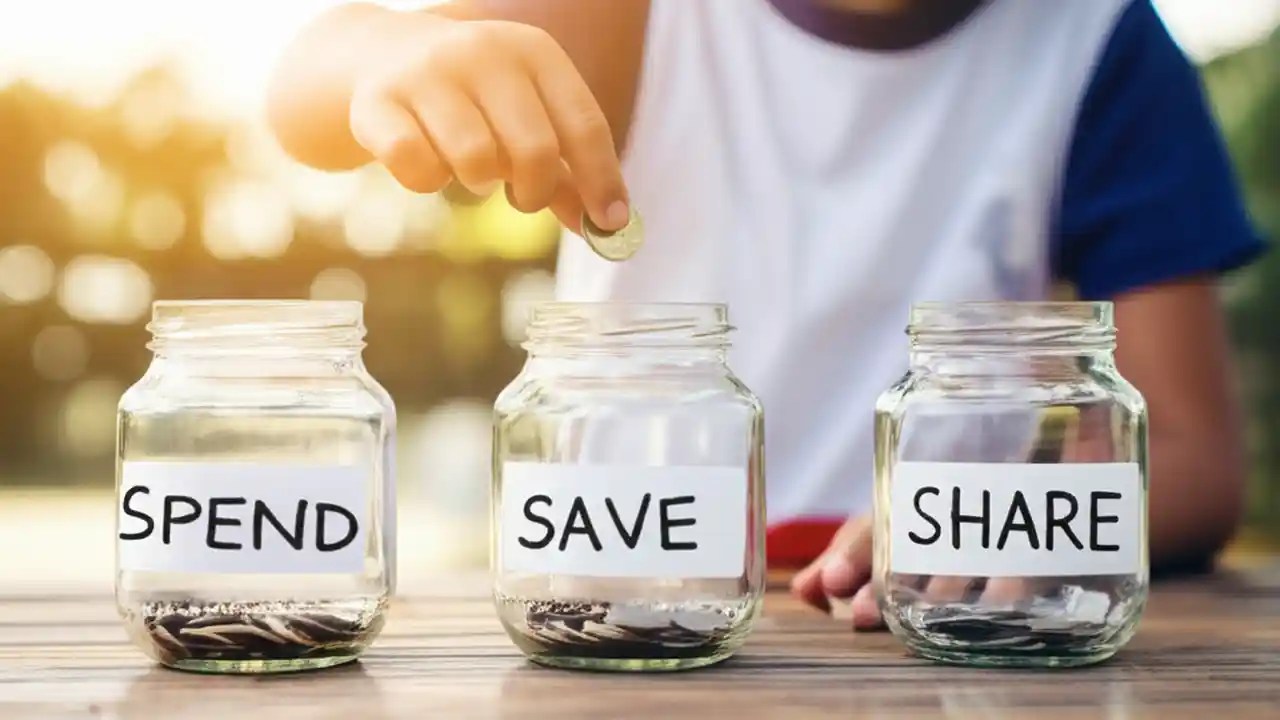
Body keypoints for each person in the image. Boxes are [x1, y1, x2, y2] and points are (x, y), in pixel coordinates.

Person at [268, 0, 1263, 629]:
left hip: (917, 627)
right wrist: (384, 51)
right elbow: (300, 91)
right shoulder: (624, 11)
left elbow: (1186, 452)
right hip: (612, 606)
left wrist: (1009, 520)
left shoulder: (1100, 41)